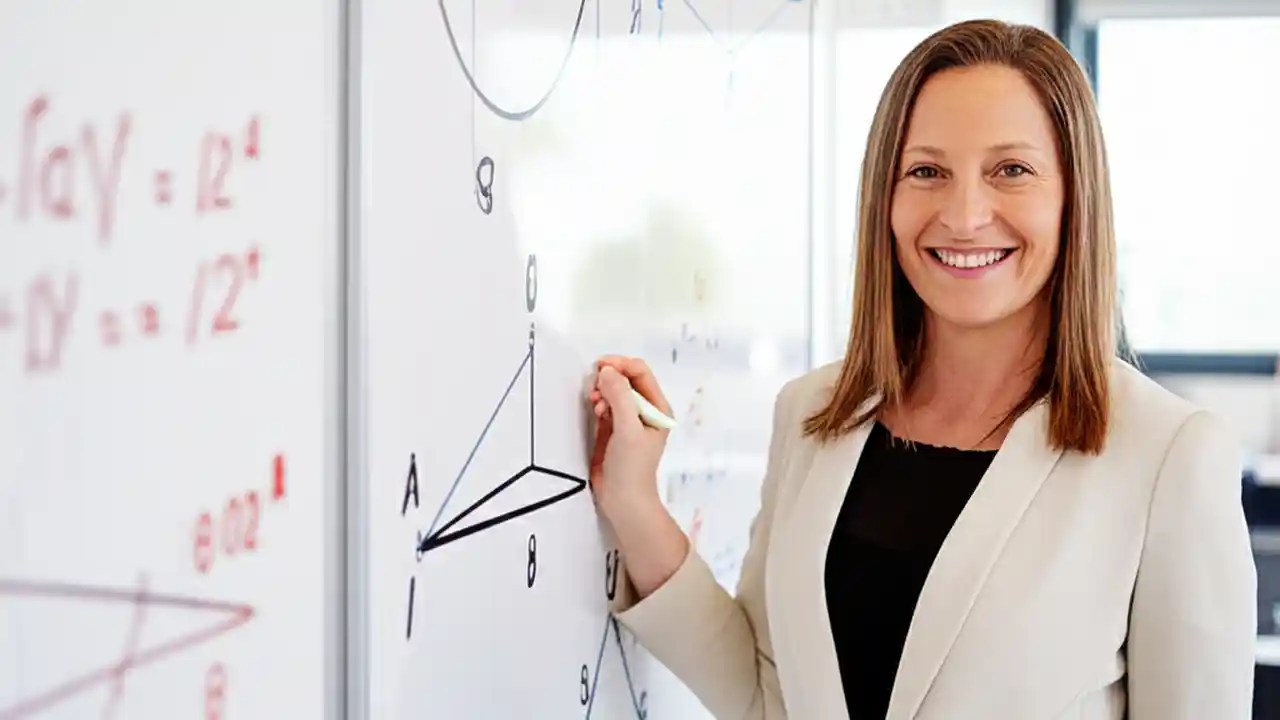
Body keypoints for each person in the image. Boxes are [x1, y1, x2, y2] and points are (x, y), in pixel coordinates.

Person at [584, 18, 1257, 720]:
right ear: (887, 197)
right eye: (927, 171)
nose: (964, 216)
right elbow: (765, 695)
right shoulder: (812, 416)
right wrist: (634, 503)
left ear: (1074, 198)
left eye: (1011, 171)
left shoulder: (1169, 455)